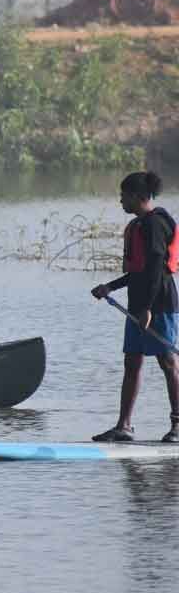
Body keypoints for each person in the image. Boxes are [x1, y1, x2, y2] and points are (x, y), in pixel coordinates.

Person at [90, 171, 179, 443]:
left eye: (123, 196)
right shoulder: (141, 225)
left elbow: (155, 269)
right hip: (140, 304)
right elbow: (140, 272)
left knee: (167, 361)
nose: (120, 201)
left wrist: (148, 308)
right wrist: (111, 287)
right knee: (132, 362)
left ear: (139, 197)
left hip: (159, 303)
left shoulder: (155, 225)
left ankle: (178, 425)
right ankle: (124, 427)